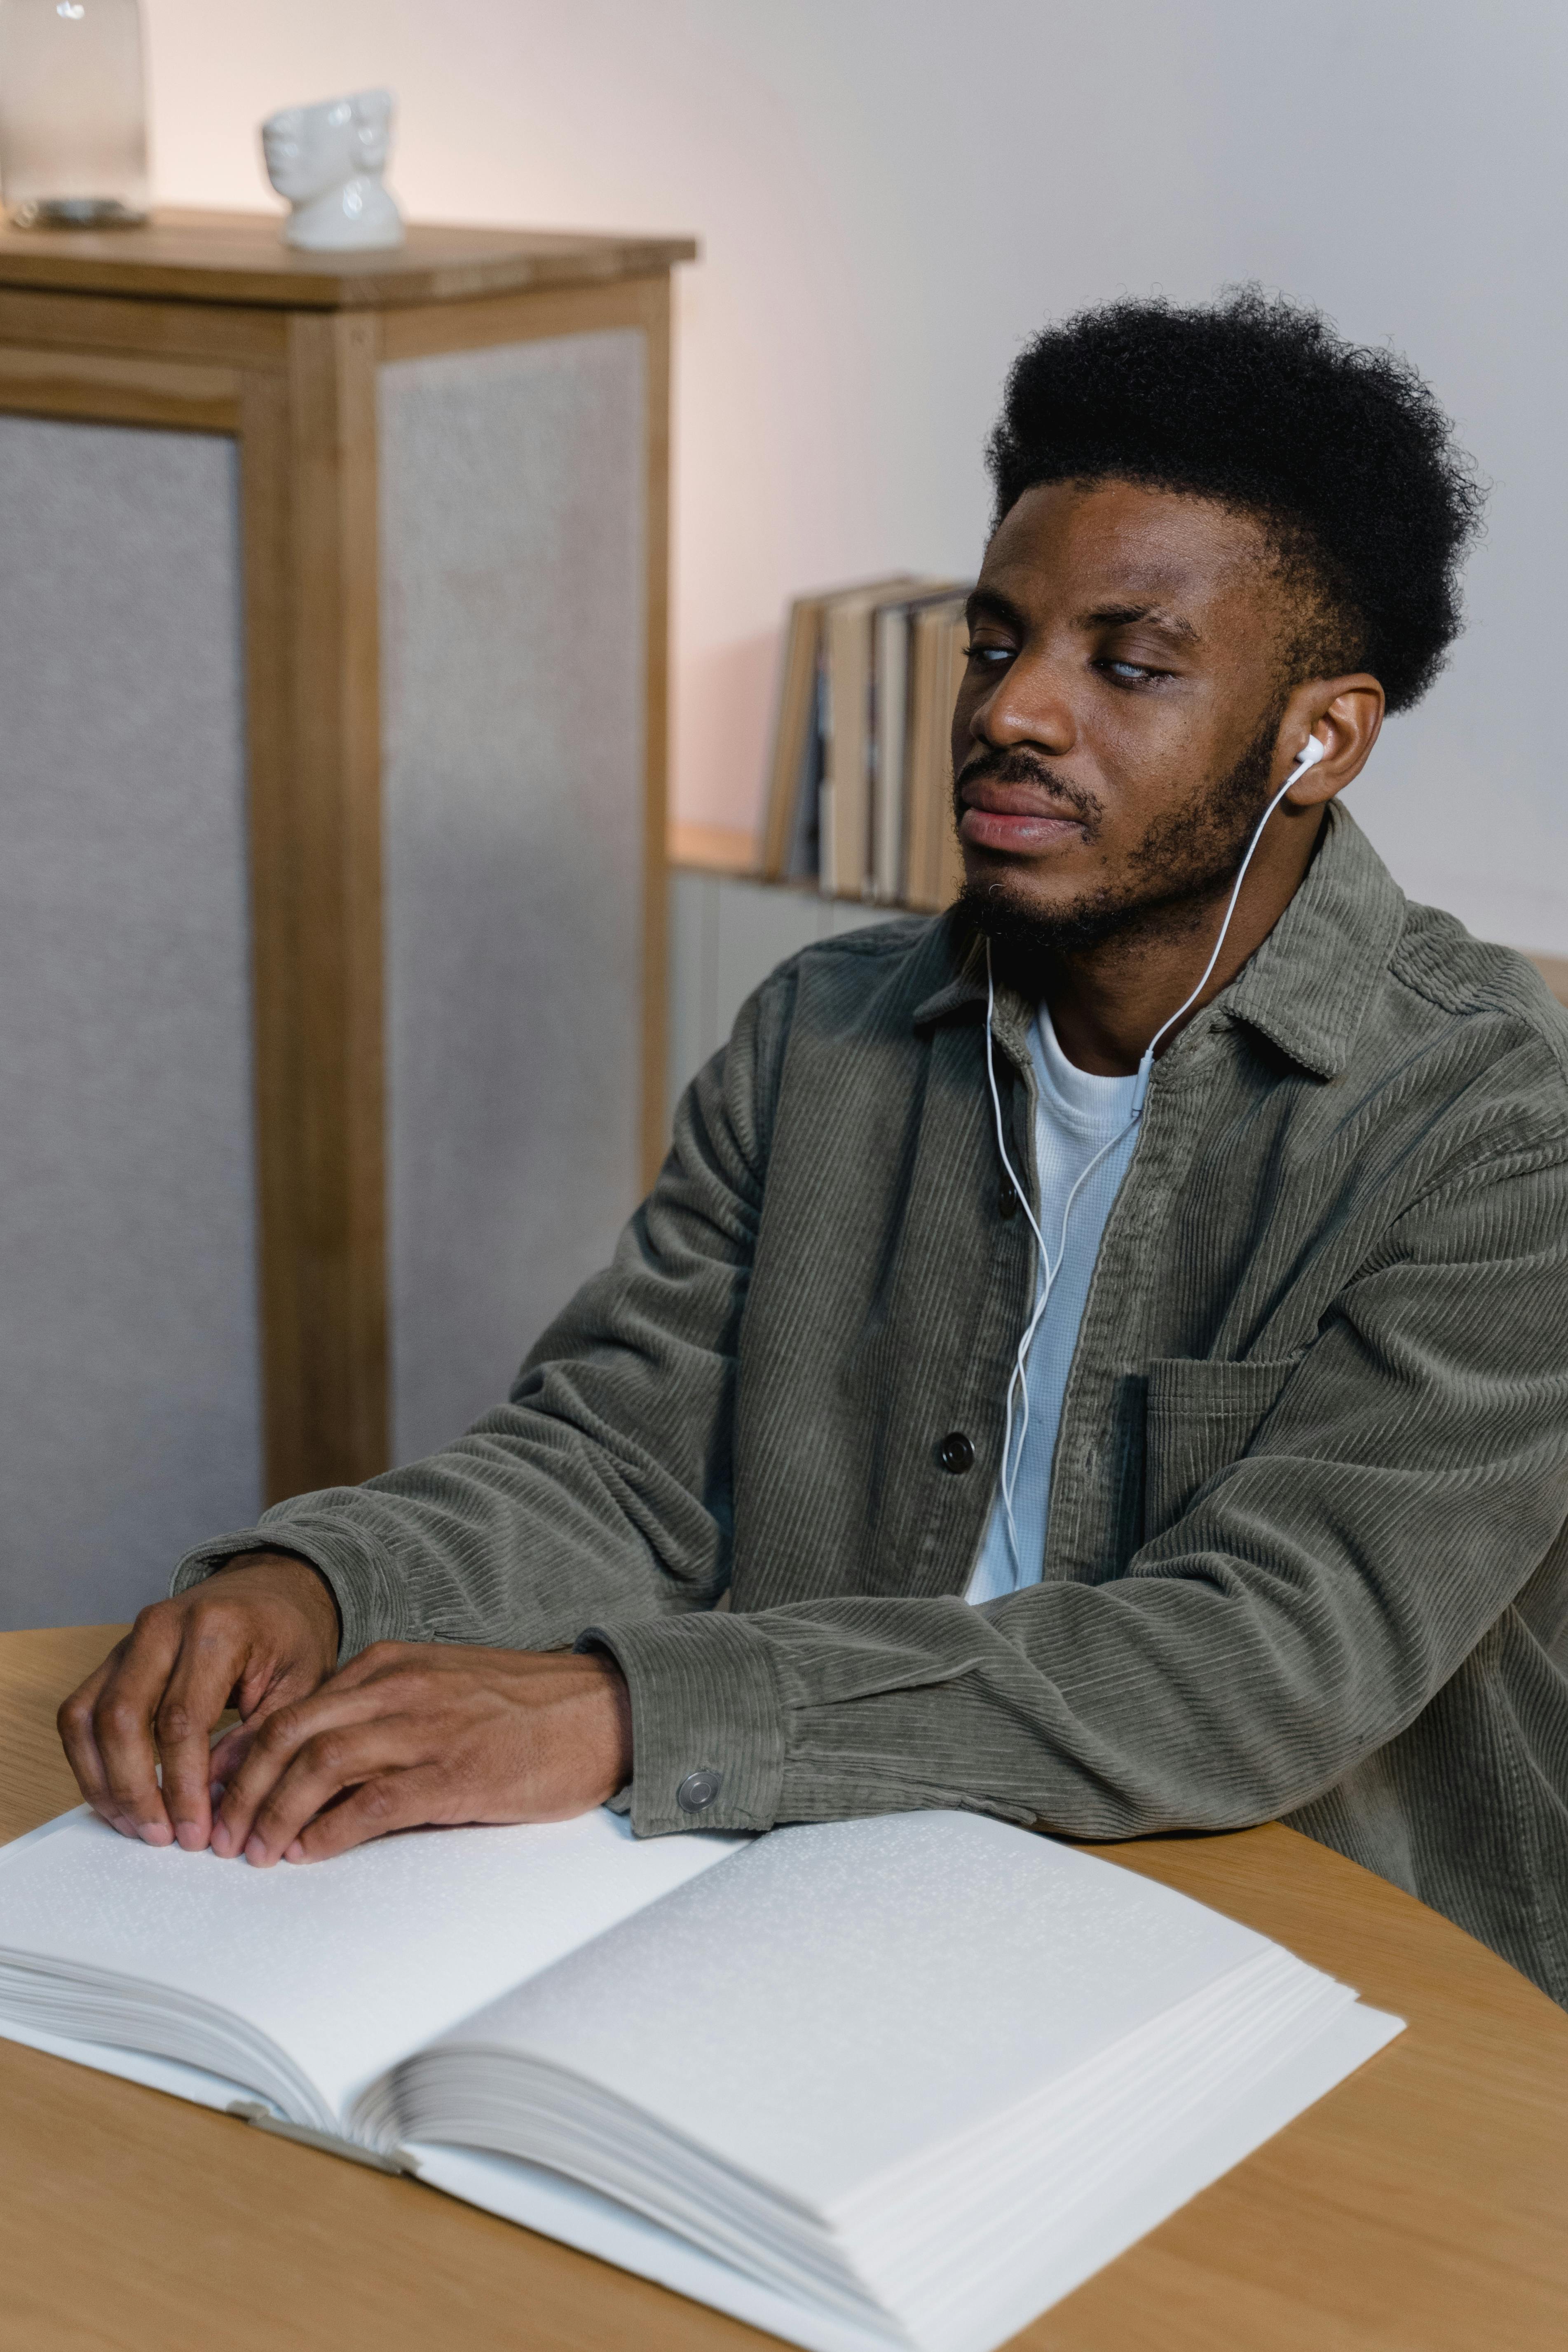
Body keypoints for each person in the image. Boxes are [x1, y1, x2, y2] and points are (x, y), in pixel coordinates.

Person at [60, 290, 1568, 2007]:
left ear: (1320, 738)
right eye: (994, 643)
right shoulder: (823, 1034)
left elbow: (1262, 1664)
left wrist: (630, 1711)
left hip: (1300, 1968)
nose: (1014, 712)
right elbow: (617, 1462)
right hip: (823, 1890)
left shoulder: (1495, 1134)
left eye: (1127, 664)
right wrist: (320, 1579)